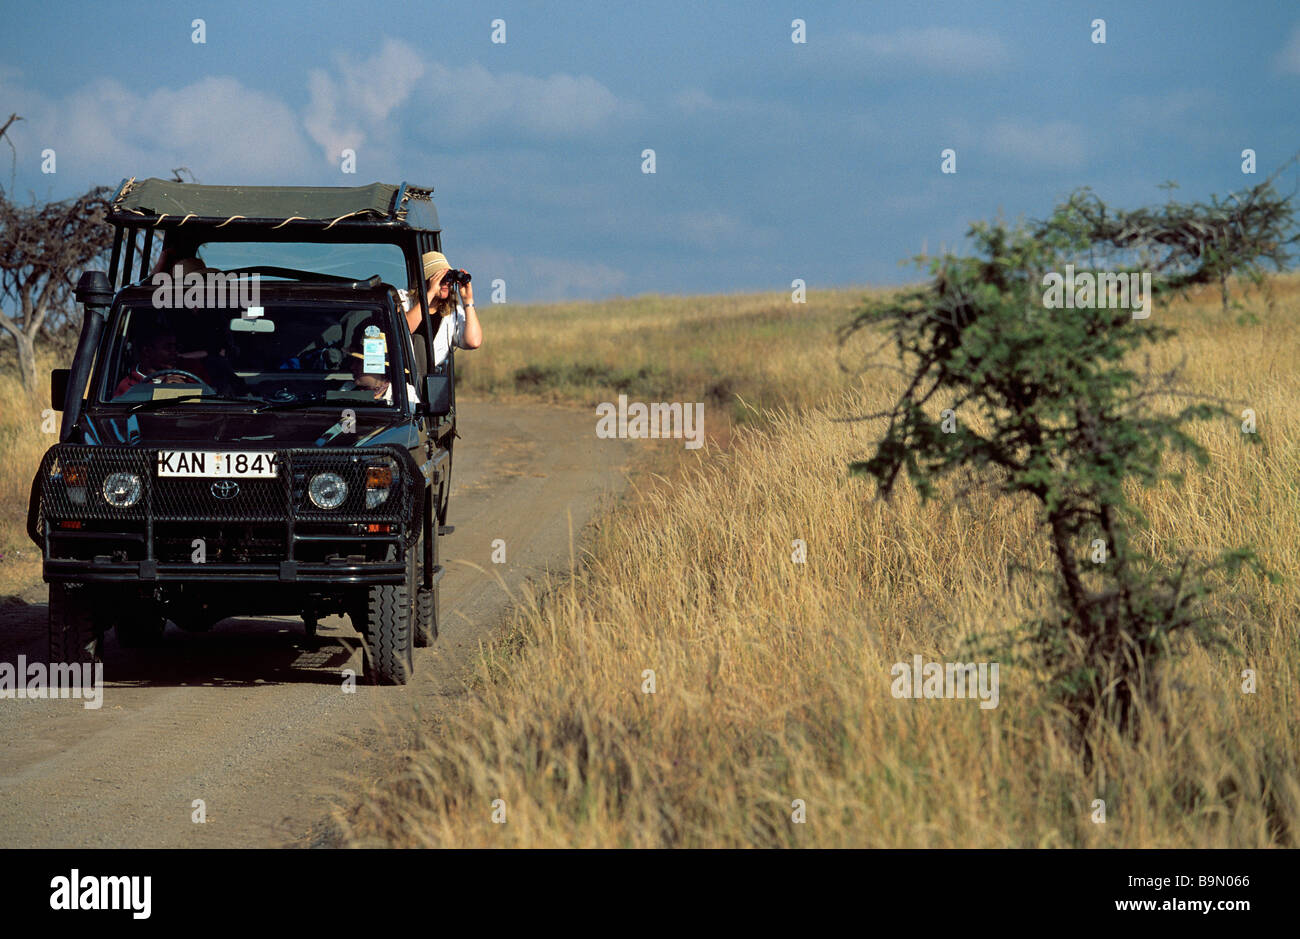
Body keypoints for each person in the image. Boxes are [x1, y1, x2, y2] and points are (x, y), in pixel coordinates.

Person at [399, 251, 482, 372]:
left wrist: (468, 300)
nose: (447, 283)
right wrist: (430, 293)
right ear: (426, 279)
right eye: (441, 278)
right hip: (404, 376)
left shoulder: (451, 312)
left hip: (431, 380)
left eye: (449, 278)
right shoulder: (403, 300)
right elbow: (403, 330)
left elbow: (473, 341)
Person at [113, 326, 196, 397]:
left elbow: (206, 401)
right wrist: (161, 391)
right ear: (147, 351)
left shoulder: (190, 374)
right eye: (168, 347)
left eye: (176, 347)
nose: (174, 352)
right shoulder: (128, 386)